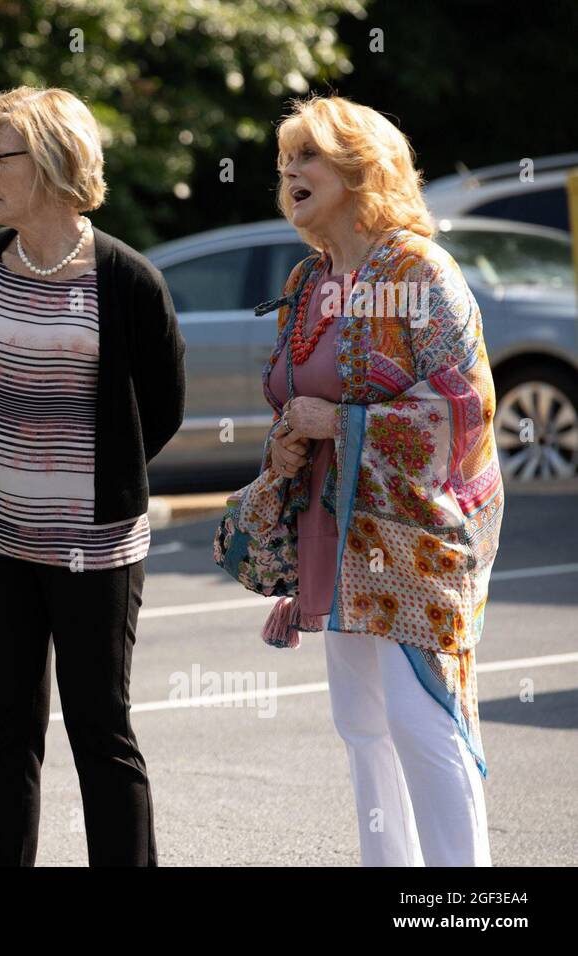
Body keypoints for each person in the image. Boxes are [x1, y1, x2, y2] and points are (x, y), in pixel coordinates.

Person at [263, 95, 502, 866]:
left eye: (309, 157)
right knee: (361, 724)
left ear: (363, 170)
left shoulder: (418, 267)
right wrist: (287, 442)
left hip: (418, 534)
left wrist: (338, 424)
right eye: (285, 159)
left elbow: (467, 412)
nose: (290, 171)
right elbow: (293, 391)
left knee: (421, 718)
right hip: (334, 526)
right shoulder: (309, 278)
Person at [0, 87, 186, 866]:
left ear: (52, 161)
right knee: (4, 736)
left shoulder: (127, 279)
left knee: (101, 732)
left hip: (97, 549)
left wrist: (87, 481)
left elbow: (160, 409)